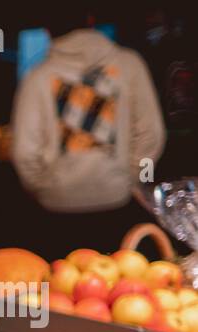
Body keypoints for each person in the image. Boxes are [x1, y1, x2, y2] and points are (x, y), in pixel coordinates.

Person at [11, 11, 166, 217]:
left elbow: (24, 151)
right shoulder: (130, 65)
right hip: (117, 201)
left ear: (47, 31)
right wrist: (129, 178)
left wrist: (44, 187)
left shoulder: (37, 77)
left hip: (55, 206)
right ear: (91, 20)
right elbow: (152, 134)